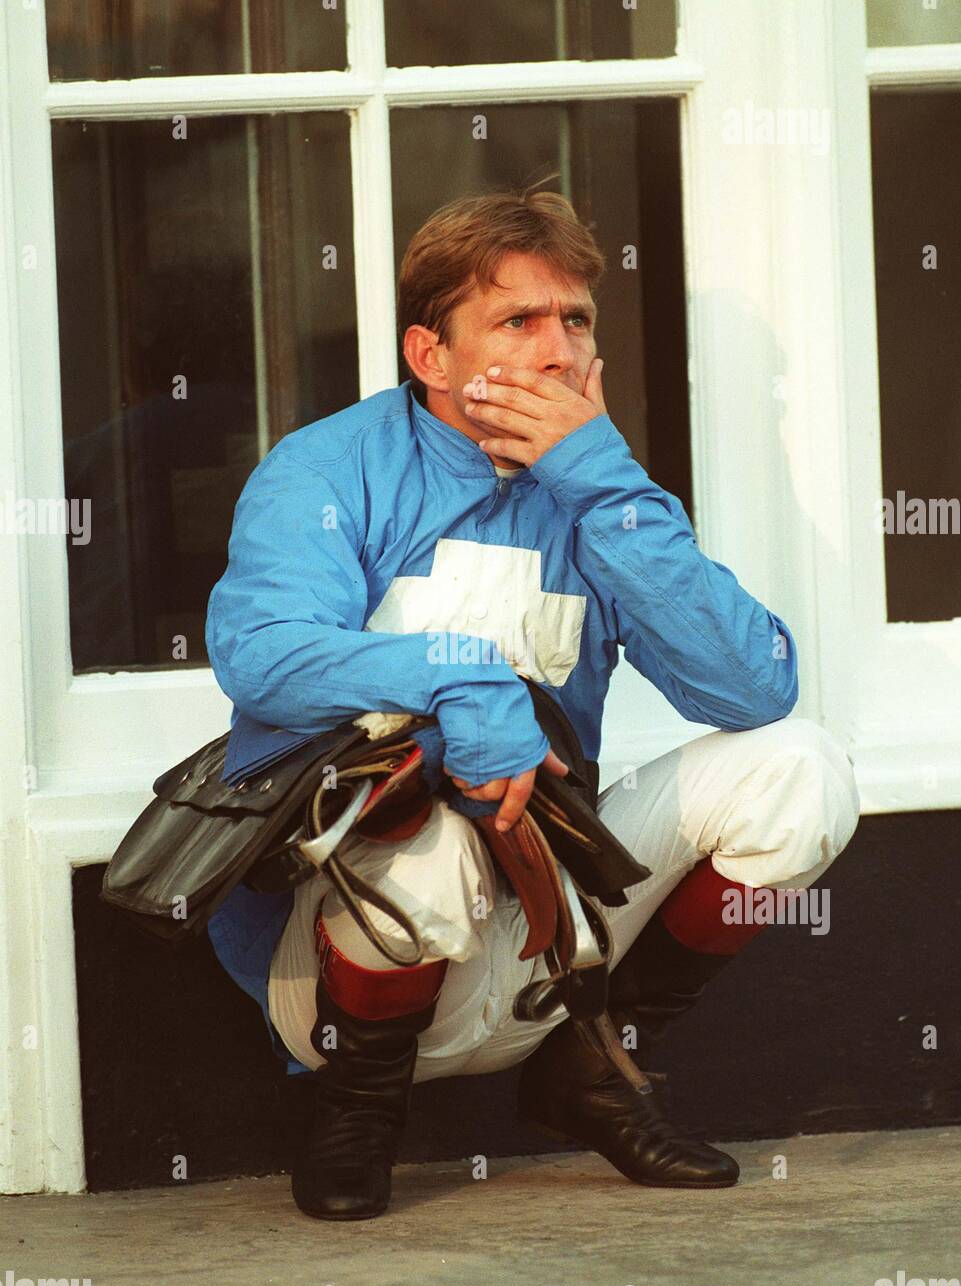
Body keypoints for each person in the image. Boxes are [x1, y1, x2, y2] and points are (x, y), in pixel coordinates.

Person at [204, 188, 861, 1222]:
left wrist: (602, 482)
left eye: (576, 321)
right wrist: (463, 677)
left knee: (802, 768)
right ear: (430, 355)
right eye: (518, 322)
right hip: (342, 965)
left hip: (543, 942)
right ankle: (354, 1106)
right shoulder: (325, 469)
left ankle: (595, 1062)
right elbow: (261, 652)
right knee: (419, 836)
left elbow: (750, 687)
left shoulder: (598, 487)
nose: (557, 351)